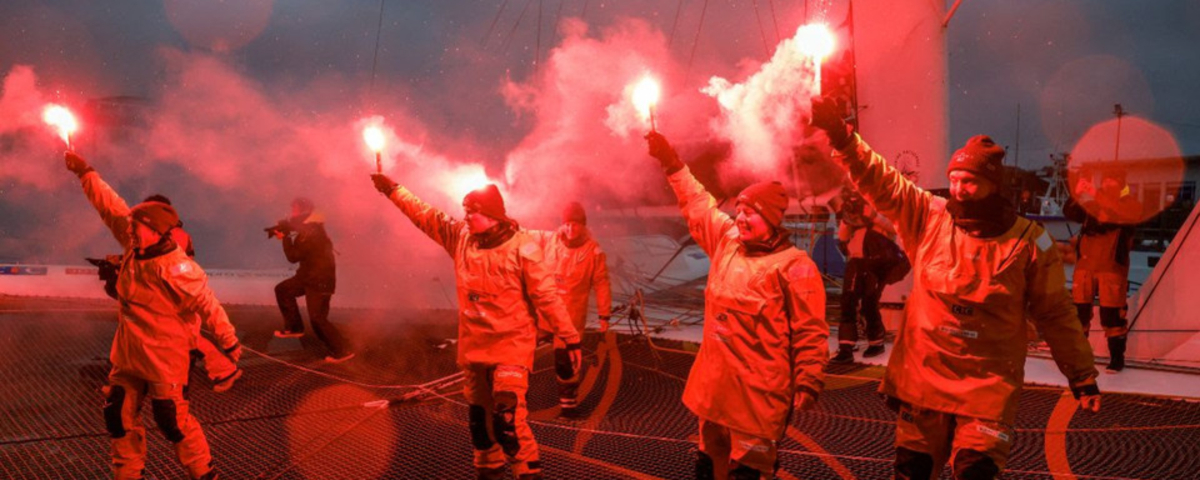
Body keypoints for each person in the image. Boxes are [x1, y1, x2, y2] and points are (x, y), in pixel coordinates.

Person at [810, 97, 1101, 480]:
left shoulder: (1031, 242)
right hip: (924, 382)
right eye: (954, 180)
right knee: (911, 472)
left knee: (974, 472)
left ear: (992, 185)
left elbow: (1055, 313)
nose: (959, 189)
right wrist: (844, 139)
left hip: (986, 392)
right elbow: (883, 182)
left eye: (970, 181)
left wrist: (1081, 376)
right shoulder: (929, 218)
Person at [369, 174, 582, 480]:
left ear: (493, 215)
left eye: (473, 211)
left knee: (507, 422)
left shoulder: (524, 248)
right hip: (474, 350)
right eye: (465, 210)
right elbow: (425, 215)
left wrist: (570, 337)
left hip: (511, 349)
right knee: (481, 428)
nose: (466, 216)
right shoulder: (461, 238)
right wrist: (393, 189)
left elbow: (546, 296)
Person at [645, 132, 829, 480]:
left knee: (748, 473)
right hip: (715, 391)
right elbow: (699, 205)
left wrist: (808, 378)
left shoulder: (795, 266)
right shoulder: (727, 243)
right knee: (708, 464)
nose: (741, 219)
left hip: (758, 399)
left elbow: (811, 331)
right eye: (739, 210)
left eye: (752, 213)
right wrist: (672, 164)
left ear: (773, 220)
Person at [65, 152, 240, 480]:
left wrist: (229, 343)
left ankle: (204, 473)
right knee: (118, 415)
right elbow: (110, 205)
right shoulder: (134, 244)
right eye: (131, 224)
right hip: (129, 355)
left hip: (164, 357)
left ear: (158, 231)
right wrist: (85, 172)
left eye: (137, 226)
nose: (129, 228)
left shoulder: (176, 266)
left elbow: (207, 303)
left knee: (171, 420)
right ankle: (128, 474)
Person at [142, 194, 242, 392]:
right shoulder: (166, 234)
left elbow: (179, 266)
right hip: (170, 295)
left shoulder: (175, 235)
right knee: (183, 338)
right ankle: (222, 369)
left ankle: (224, 369)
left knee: (189, 338)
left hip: (176, 297)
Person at [534, 201, 613, 417]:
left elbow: (602, 283)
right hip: (544, 314)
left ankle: (569, 406)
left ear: (583, 226)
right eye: (567, 224)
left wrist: (604, 315)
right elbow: (524, 235)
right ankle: (514, 396)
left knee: (566, 363)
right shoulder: (551, 240)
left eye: (576, 225)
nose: (571, 229)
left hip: (570, 317)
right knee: (521, 350)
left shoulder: (593, 252)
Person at [1063, 170, 1142, 372]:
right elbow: (1071, 213)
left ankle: (1117, 359)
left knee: (1112, 316)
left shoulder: (1130, 205)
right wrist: (1077, 194)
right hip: (1085, 267)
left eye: (1113, 179)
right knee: (1079, 314)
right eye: (1106, 179)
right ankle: (1078, 357)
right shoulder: (1092, 205)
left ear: (1121, 183)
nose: (1107, 183)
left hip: (1112, 269)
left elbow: (1119, 213)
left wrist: (1095, 194)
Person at [270, 197, 354, 363]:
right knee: (283, 290)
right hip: (308, 277)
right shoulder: (309, 227)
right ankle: (294, 327)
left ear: (303, 210)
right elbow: (296, 230)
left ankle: (342, 350)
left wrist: (285, 237)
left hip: (320, 280)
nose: (292, 214)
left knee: (318, 319)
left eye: (294, 209)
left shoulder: (312, 230)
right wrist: (286, 231)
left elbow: (293, 256)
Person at [831, 190, 900, 364]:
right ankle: (846, 347)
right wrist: (847, 218)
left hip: (876, 263)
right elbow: (843, 237)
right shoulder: (852, 214)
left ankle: (876, 343)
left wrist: (873, 215)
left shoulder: (882, 209)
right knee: (848, 303)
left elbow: (894, 228)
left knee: (869, 304)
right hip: (855, 262)